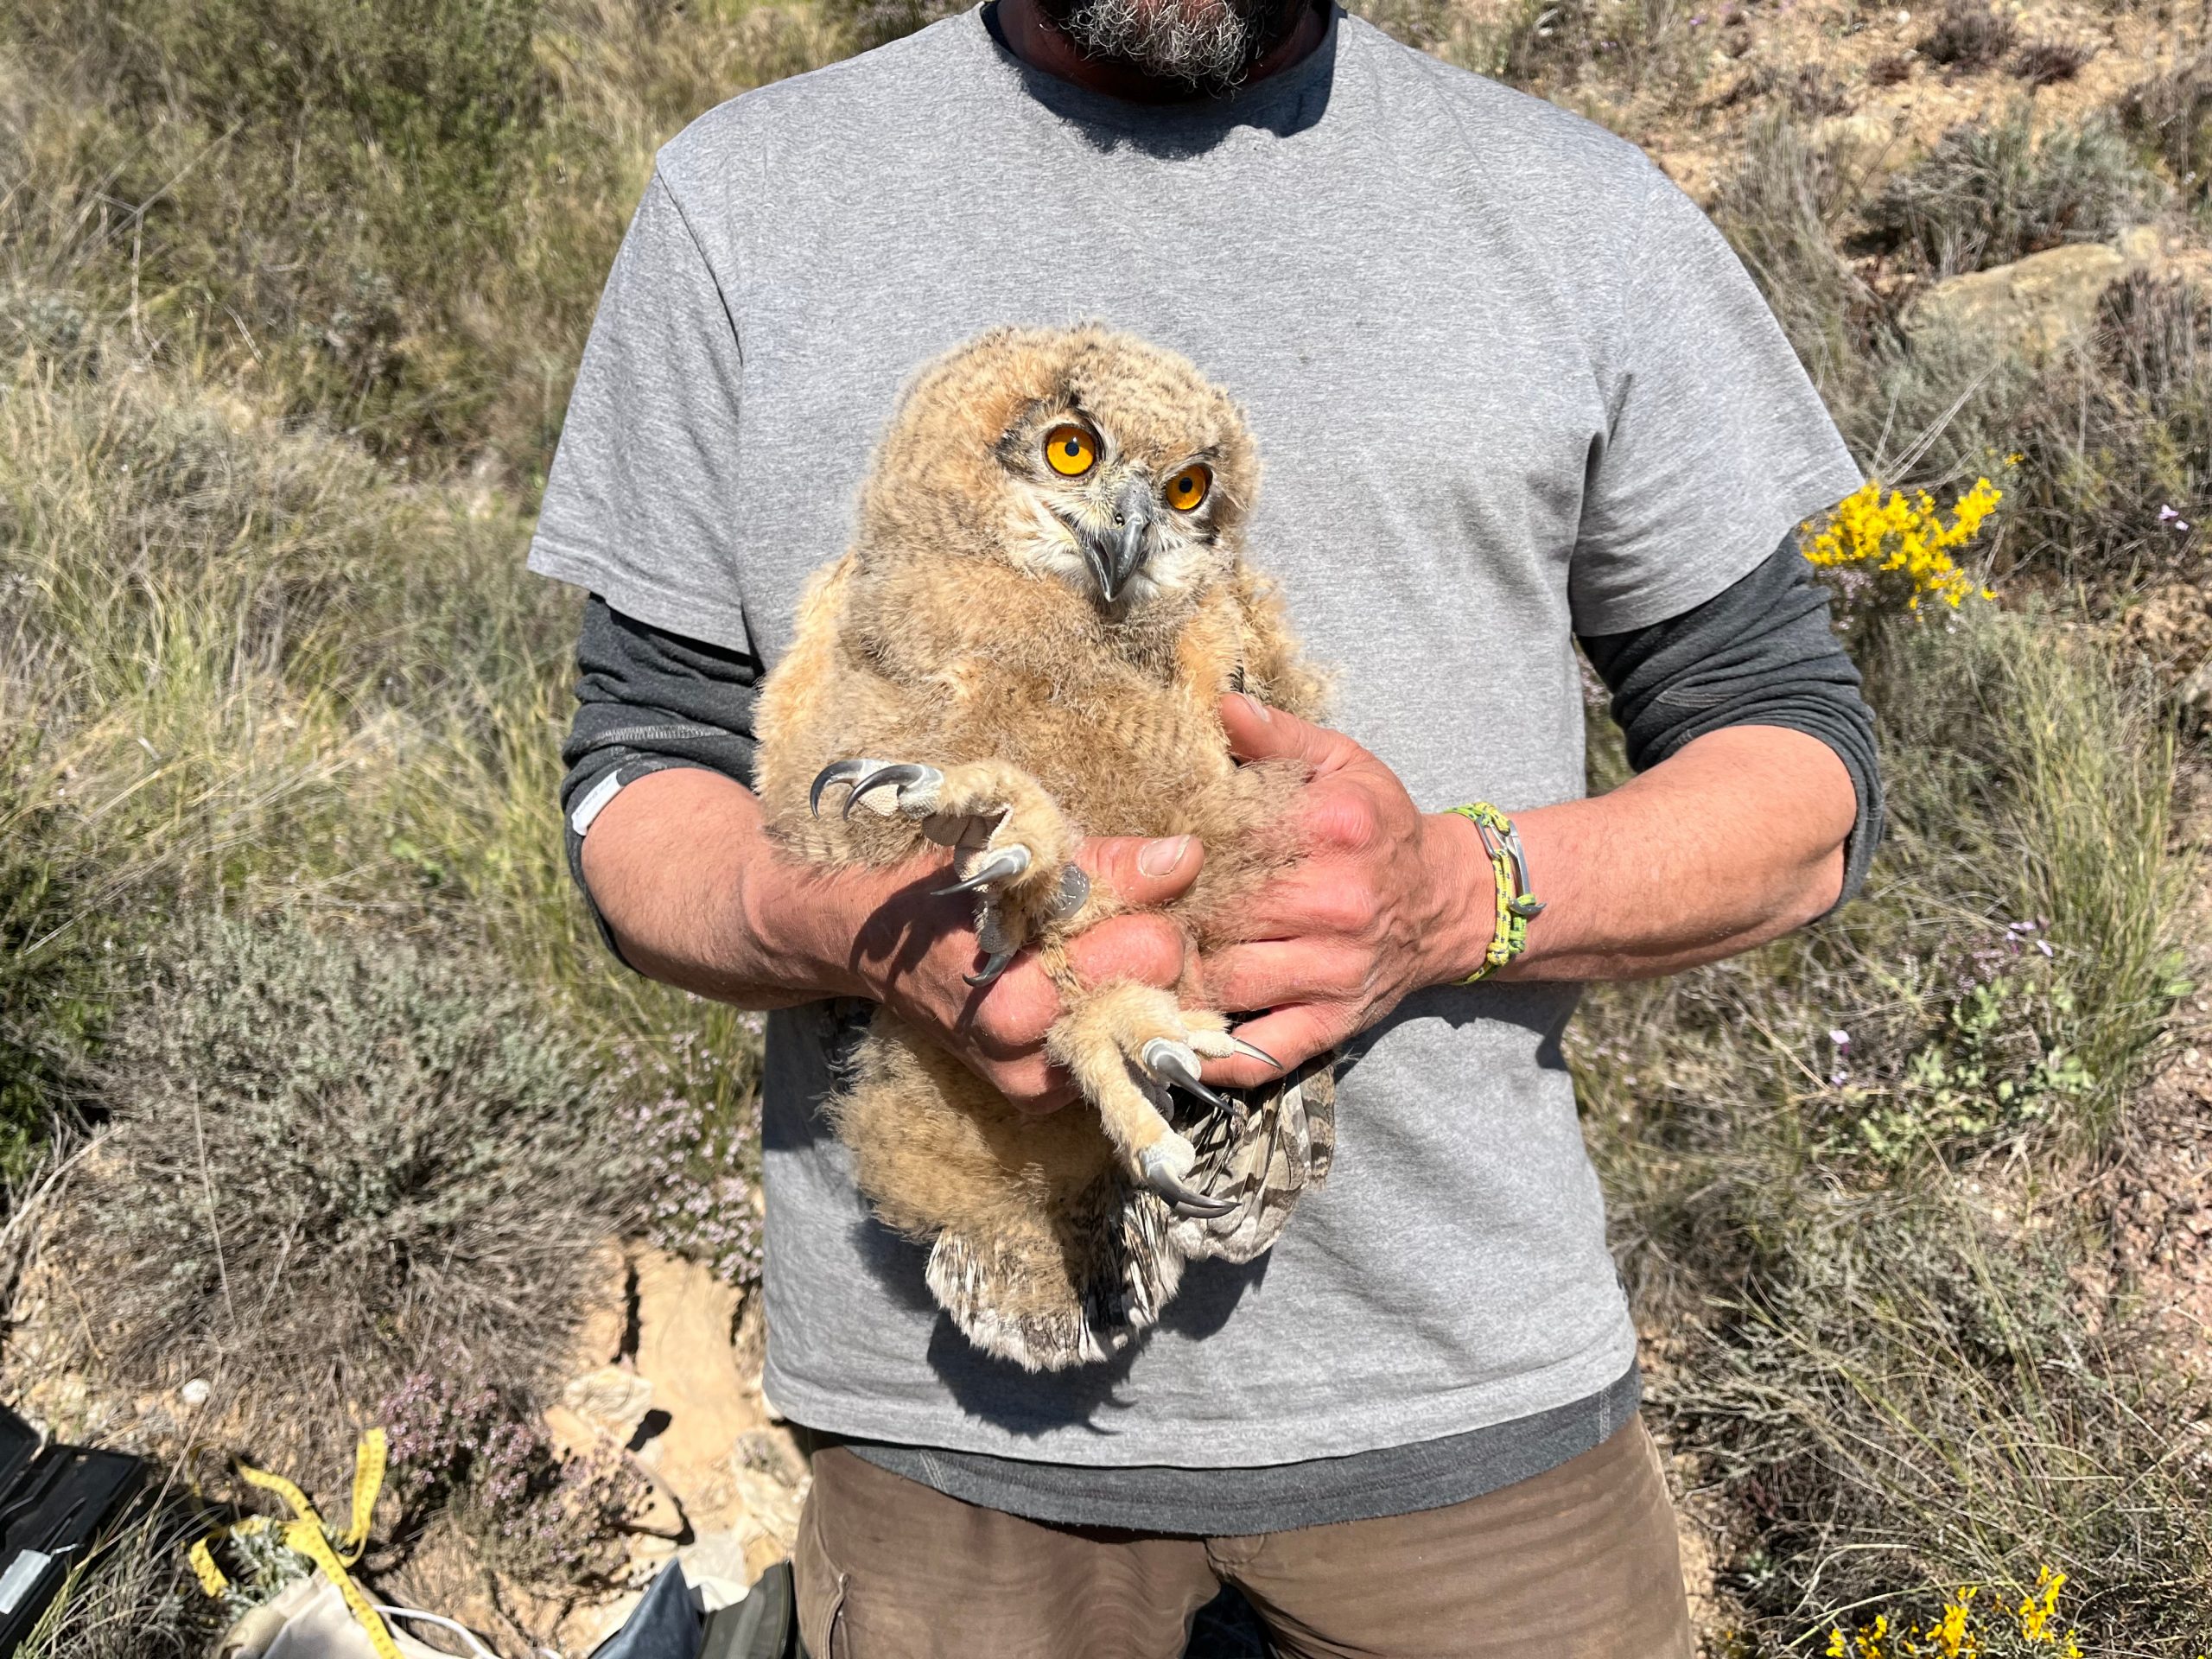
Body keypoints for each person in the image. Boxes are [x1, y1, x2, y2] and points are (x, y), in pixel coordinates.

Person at [527, 0, 1881, 1649]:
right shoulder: (745, 199)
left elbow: (1798, 770)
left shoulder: (1575, 209)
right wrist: (848, 930)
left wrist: (1461, 895)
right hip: (954, 1449)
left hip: (1465, 1416)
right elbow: (636, 770)